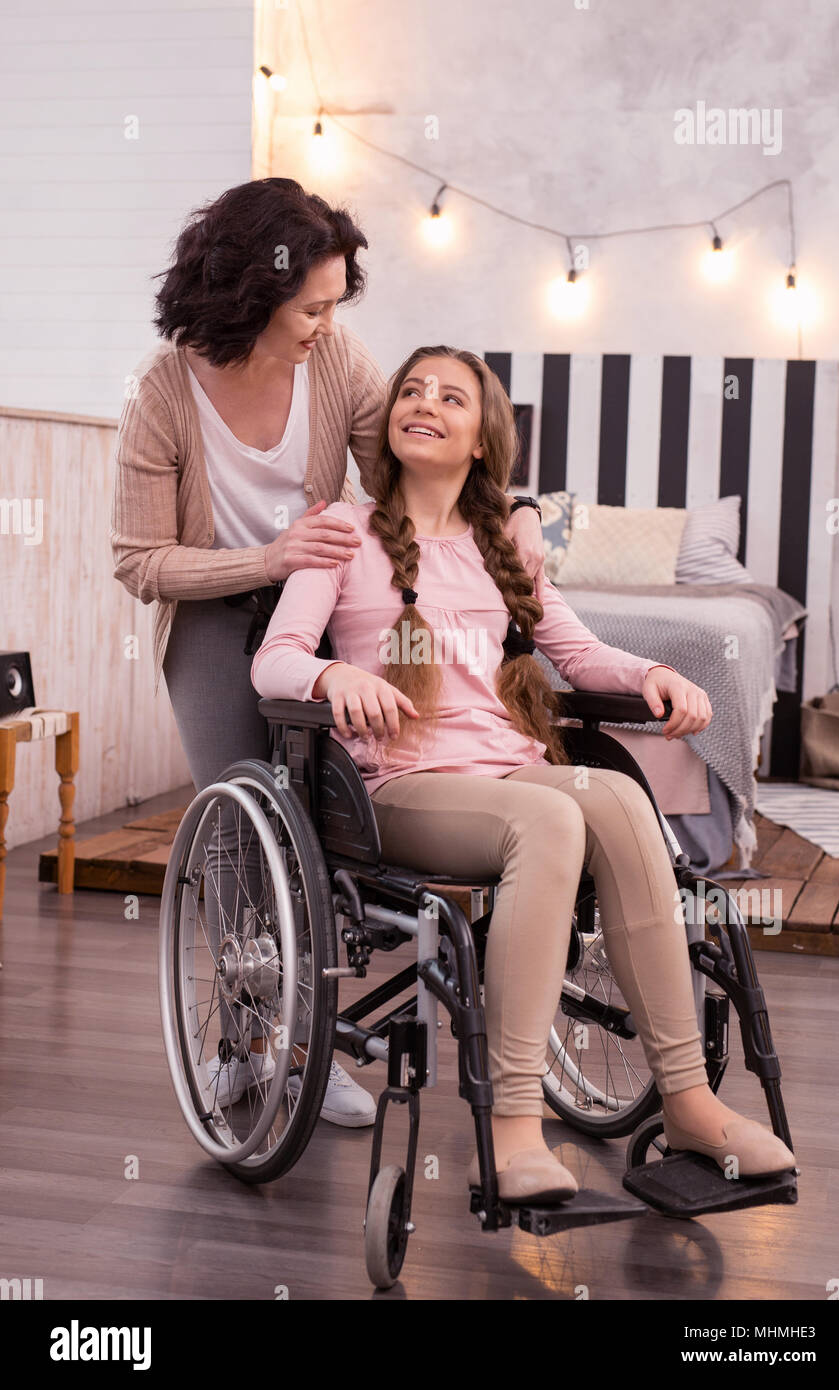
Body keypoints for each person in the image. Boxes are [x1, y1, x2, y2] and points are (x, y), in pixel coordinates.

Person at [251, 344, 798, 1203]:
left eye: (451, 396)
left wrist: (647, 674)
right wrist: (331, 674)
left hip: (506, 767)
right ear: (390, 419)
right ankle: (511, 1124)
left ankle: (688, 1100)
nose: (423, 401)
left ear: (481, 439)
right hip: (396, 786)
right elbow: (274, 660)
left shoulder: (504, 533)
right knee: (549, 822)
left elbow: (573, 649)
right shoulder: (343, 532)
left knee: (616, 796)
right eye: (412, 390)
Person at [109, 178, 545, 1128]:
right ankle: (252, 1043)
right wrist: (267, 557)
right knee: (244, 828)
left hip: (325, 600)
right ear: (248, 295)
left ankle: (317, 1031)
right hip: (220, 613)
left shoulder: (336, 359)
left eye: (335, 301)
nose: (326, 320)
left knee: (328, 828)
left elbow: (410, 457)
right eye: (311, 304)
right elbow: (138, 561)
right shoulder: (163, 393)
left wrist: (514, 509)